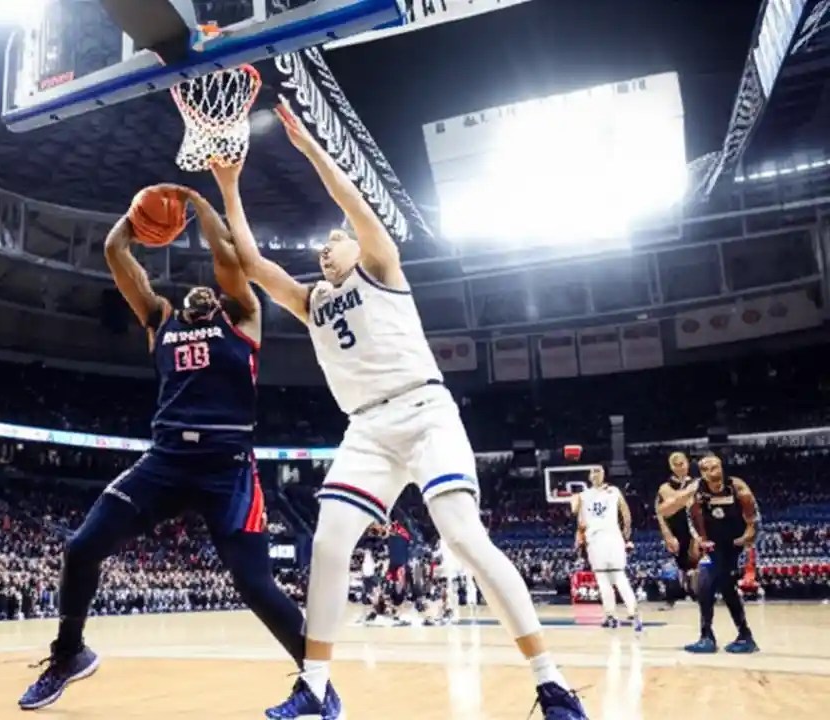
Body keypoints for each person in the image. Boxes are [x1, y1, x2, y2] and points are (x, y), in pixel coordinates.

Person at [209, 98, 587, 720]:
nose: (324, 252)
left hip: (424, 411)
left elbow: (353, 202)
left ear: (356, 248)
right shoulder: (311, 302)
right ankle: (317, 686)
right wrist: (229, 183)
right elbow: (250, 263)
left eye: (333, 243)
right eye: (322, 248)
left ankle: (551, 684)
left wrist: (309, 150)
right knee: (329, 546)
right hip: (367, 429)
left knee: (464, 539)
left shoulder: (381, 267)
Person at [17, 187, 314, 710]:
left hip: (228, 469)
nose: (202, 290)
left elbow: (227, 258)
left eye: (211, 289)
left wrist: (196, 201)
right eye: (192, 289)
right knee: (81, 548)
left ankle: (317, 683)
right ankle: (69, 654)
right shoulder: (160, 320)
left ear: (222, 299)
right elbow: (115, 252)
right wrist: (143, 213)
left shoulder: (243, 316)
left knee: (255, 584)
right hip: (165, 462)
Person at [684, 454, 759, 654]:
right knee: (708, 584)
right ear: (701, 473)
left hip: (734, 543)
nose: (712, 472)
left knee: (723, 587)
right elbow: (690, 517)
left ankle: (727, 636)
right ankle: (720, 635)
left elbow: (753, 517)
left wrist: (748, 536)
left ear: (721, 467)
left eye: (715, 467)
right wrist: (700, 539)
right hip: (712, 544)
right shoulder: (697, 490)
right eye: (706, 469)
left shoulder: (736, 486)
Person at [572, 466, 642, 630]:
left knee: (615, 577)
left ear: (603, 474)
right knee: (608, 578)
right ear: (589, 476)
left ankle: (624, 613)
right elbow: (581, 521)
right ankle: (620, 613)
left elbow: (626, 515)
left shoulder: (611, 492)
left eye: (598, 471)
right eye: (593, 472)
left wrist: (626, 536)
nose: (596, 474)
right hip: (599, 539)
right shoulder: (584, 495)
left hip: (607, 538)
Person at [655, 451, 698, 604]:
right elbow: (661, 511)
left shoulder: (696, 483)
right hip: (675, 528)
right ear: (671, 467)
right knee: (681, 562)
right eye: (676, 465)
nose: (680, 467)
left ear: (688, 463)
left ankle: (697, 592)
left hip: (695, 528)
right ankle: (681, 591)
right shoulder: (665, 487)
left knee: (696, 561)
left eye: (682, 463)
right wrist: (667, 535)